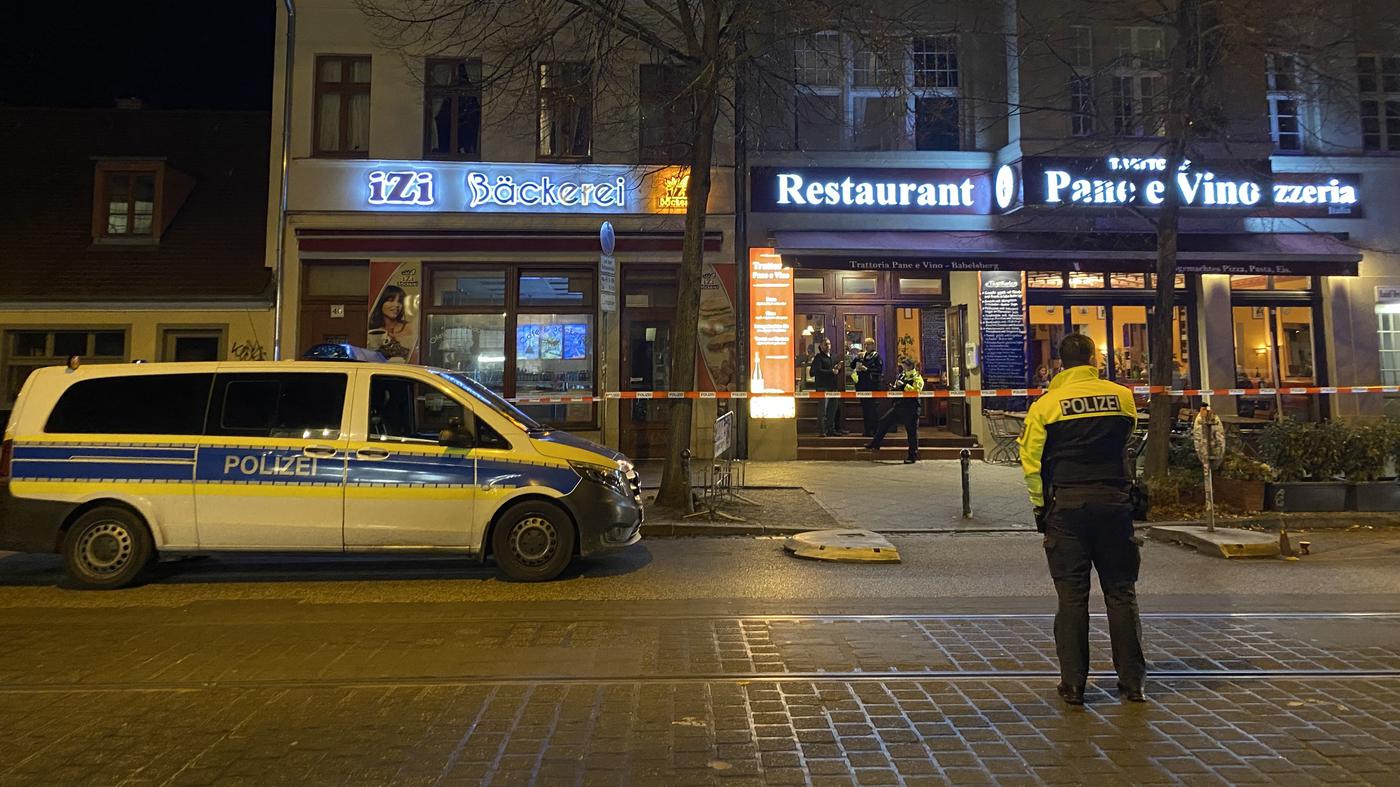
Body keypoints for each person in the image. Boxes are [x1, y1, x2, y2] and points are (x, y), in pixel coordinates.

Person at [1017, 333, 1146, 706]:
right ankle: (1132, 683)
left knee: (1072, 598)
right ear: (1093, 358)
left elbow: (1031, 463)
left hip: (1068, 506)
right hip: (1115, 502)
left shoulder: (1046, 406)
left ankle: (1073, 685)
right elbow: (1128, 438)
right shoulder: (1121, 396)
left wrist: (1041, 508)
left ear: (1061, 361)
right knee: (1121, 594)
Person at [864, 357, 924, 463]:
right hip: (899, 406)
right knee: (884, 421)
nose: (902, 367)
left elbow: (916, 390)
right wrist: (894, 388)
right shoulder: (902, 375)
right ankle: (875, 443)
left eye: (904, 365)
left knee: (911, 432)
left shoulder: (917, 377)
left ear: (910, 366)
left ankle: (912, 456)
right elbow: (897, 387)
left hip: (911, 408)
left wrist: (905, 385)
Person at [370, 285, 415, 362]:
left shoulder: (410, 327)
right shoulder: (372, 329)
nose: (396, 305)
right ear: (380, 302)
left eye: (400, 302)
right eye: (391, 300)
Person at [810, 339, 845, 437]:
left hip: (833, 386)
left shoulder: (833, 357)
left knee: (832, 410)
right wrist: (831, 371)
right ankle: (822, 431)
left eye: (829, 344)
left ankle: (831, 429)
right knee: (823, 410)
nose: (828, 346)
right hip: (823, 387)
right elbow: (816, 371)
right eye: (825, 344)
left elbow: (836, 371)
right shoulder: (818, 357)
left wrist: (838, 369)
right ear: (821, 346)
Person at [851, 337, 884, 437]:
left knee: (872, 409)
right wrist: (857, 358)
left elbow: (879, 370)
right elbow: (852, 366)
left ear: (872, 345)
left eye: (868, 344)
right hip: (862, 386)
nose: (866, 346)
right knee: (865, 409)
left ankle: (875, 430)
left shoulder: (876, 356)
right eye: (865, 344)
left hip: (872, 386)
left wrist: (867, 369)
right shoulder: (862, 356)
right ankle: (867, 430)